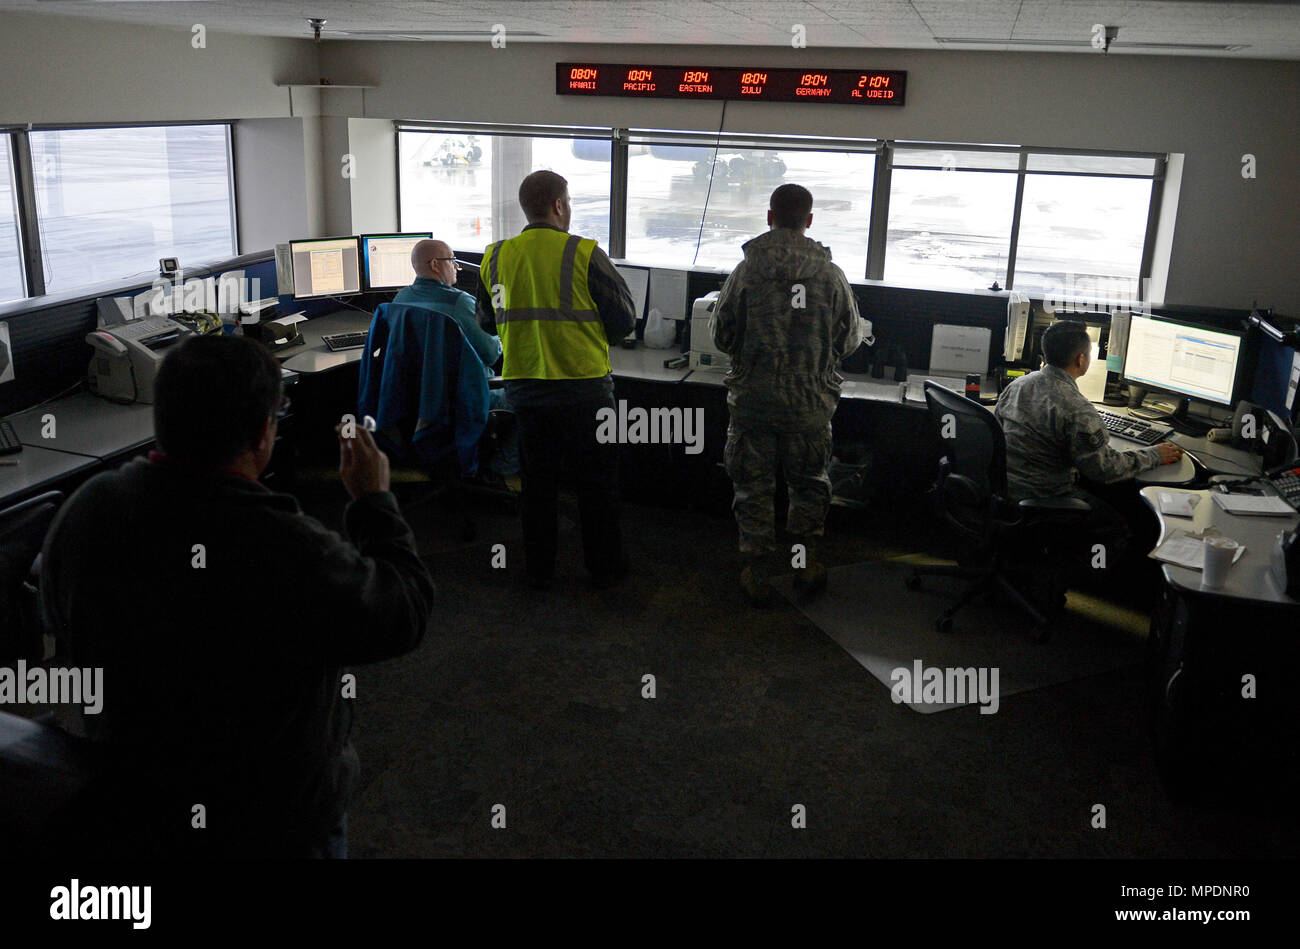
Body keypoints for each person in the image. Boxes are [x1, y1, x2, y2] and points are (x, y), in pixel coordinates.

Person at [40, 335, 435, 858]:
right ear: (261, 433)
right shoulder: (285, 544)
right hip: (274, 822)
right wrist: (374, 501)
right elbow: (401, 612)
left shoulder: (89, 508)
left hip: (138, 807)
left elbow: (58, 618)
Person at [476, 170, 636, 590]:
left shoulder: (494, 257)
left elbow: (488, 323)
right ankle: (604, 568)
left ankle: (539, 571)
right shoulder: (584, 253)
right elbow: (623, 322)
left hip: (527, 390)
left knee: (538, 485)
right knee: (596, 484)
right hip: (585, 390)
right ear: (560, 206)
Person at [710, 183, 868, 606]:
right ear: (809, 220)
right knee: (808, 484)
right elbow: (850, 339)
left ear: (769, 217)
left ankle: (756, 571)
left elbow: (722, 335)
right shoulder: (831, 276)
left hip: (753, 403)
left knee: (753, 487)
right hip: (809, 406)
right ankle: (804, 564)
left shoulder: (746, 271)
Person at [994, 318, 1183, 562]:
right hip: (1044, 496)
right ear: (1081, 360)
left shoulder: (1019, 385)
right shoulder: (1077, 409)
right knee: (1117, 526)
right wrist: (1155, 454)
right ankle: (1085, 579)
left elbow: (996, 431)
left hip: (1002, 487)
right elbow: (1104, 470)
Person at [394, 238, 517, 475]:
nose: (456, 267)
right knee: (524, 398)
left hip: (416, 398)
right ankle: (501, 471)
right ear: (434, 264)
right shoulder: (460, 303)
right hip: (462, 398)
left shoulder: (400, 300)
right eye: (452, 260)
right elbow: (492, 354)